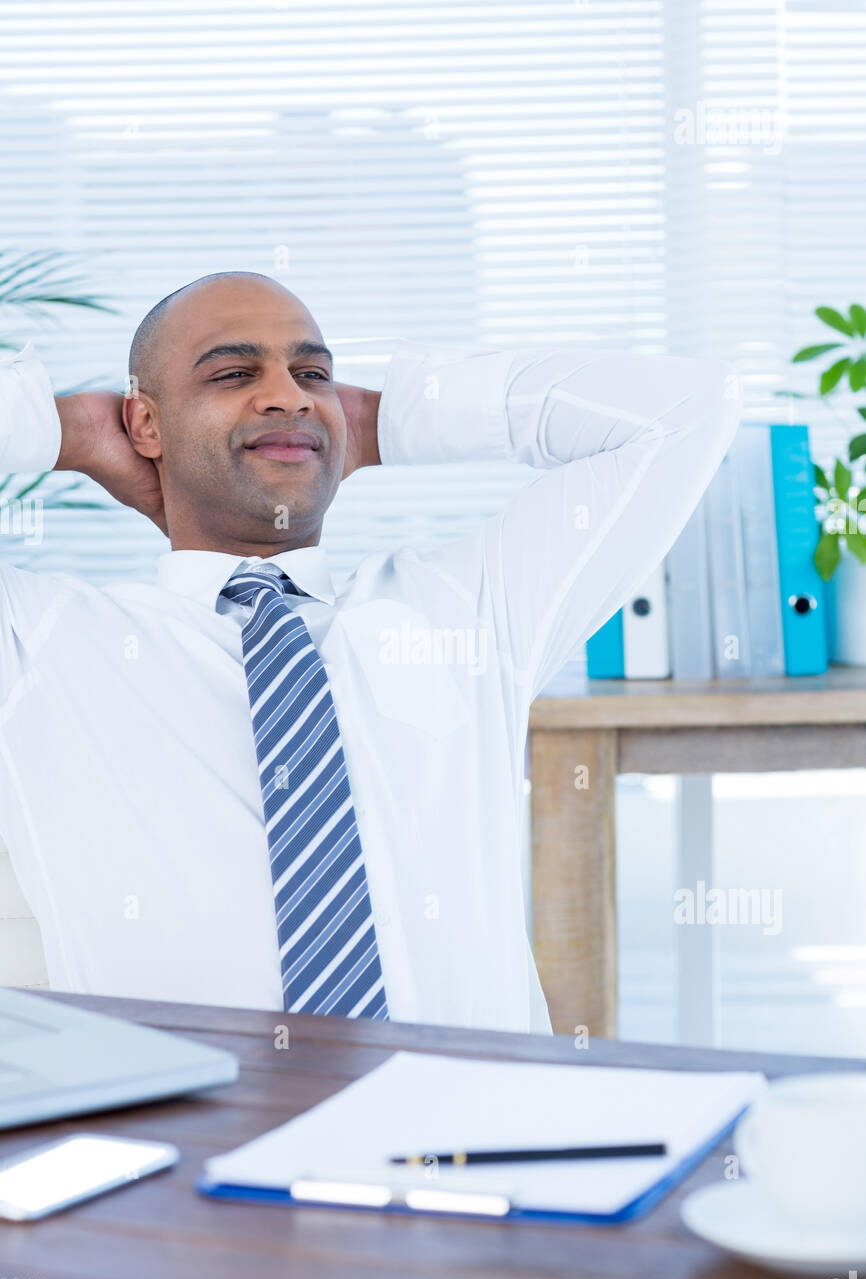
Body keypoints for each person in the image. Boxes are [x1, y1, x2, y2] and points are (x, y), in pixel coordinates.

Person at [0, 271, 741, 1031]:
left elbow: (688, 410)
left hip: (477, 1125)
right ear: (145, 426)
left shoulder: (468, 608)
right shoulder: (43, 641)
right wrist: (68, 434)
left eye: (312, 373)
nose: (289, 395)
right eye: (233, 373)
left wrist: (387, 423)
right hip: (205, 1138)